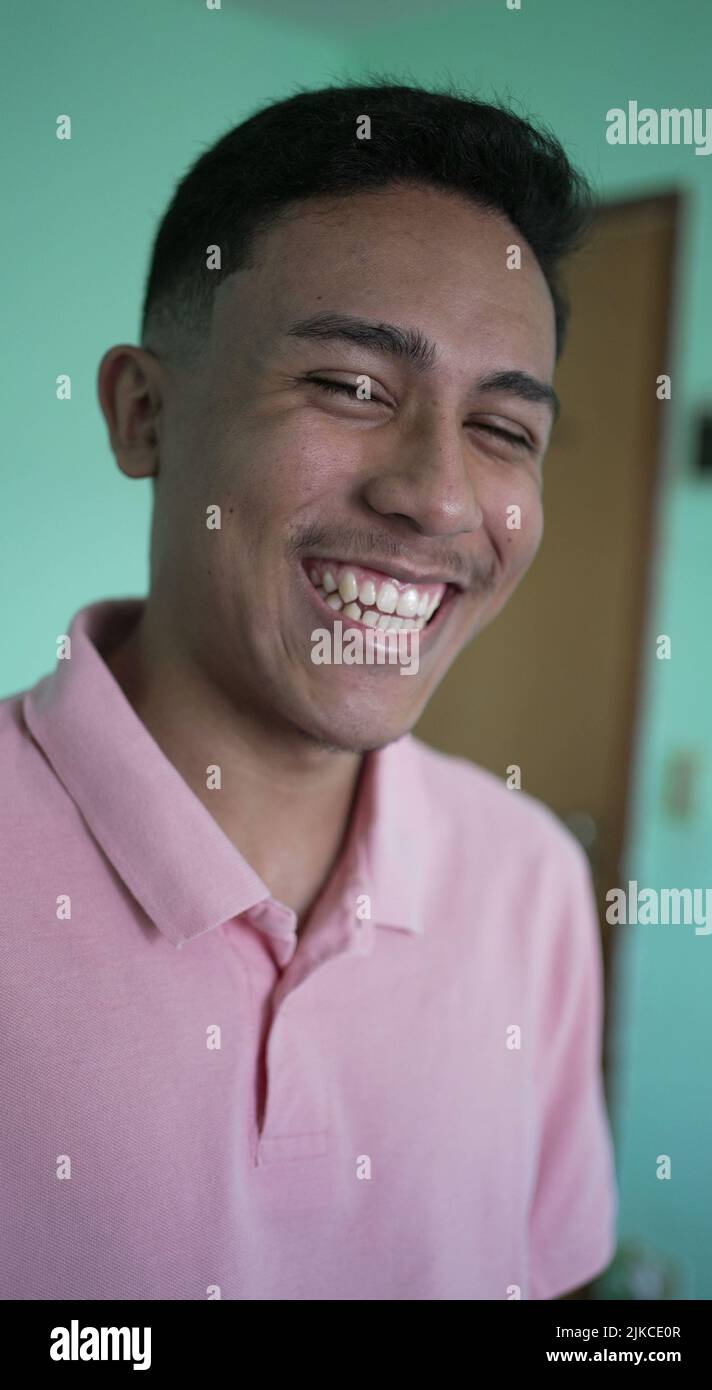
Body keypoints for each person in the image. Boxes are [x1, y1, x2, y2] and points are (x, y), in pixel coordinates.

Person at [0, 80, 618, 1300]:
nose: (437, 497)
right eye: (350, 387)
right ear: (143, 413)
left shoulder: (533, 881)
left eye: (503, 428)